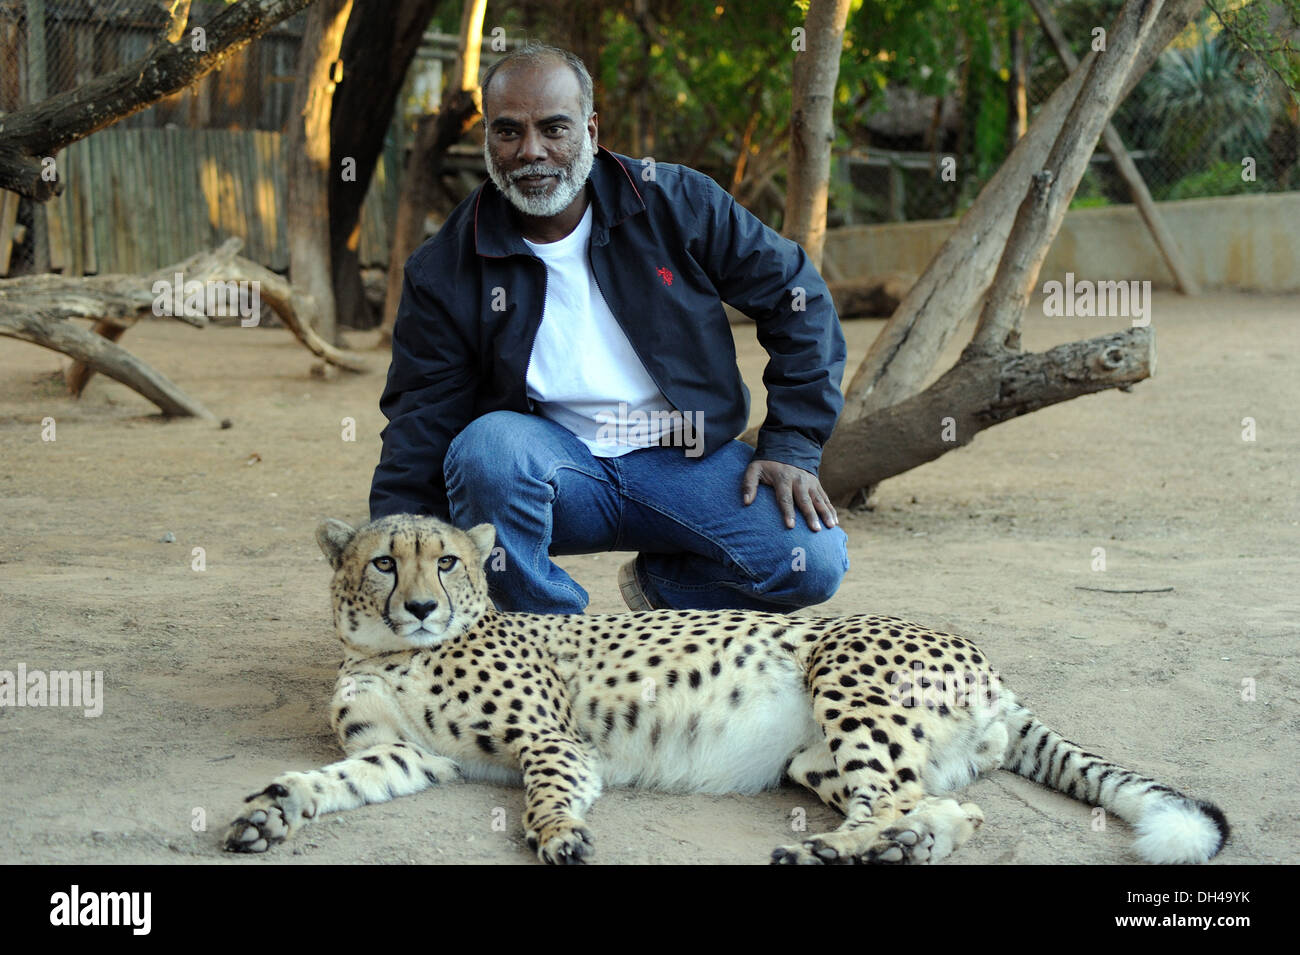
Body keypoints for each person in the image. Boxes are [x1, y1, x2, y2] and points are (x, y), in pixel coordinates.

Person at [369, 42, 849, 615]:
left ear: (591, 130)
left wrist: (793, 441)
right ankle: (546, 633)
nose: (531, 151)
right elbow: (419, 417)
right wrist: (394, 552)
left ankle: (662, 592)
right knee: (489, 448)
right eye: (508, 132)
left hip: (685, 459)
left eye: (554, 128)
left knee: (810, 562)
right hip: (552, 472)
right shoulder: (445, 266)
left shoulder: (675, 201)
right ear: (487, 139)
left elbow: (797, 296)